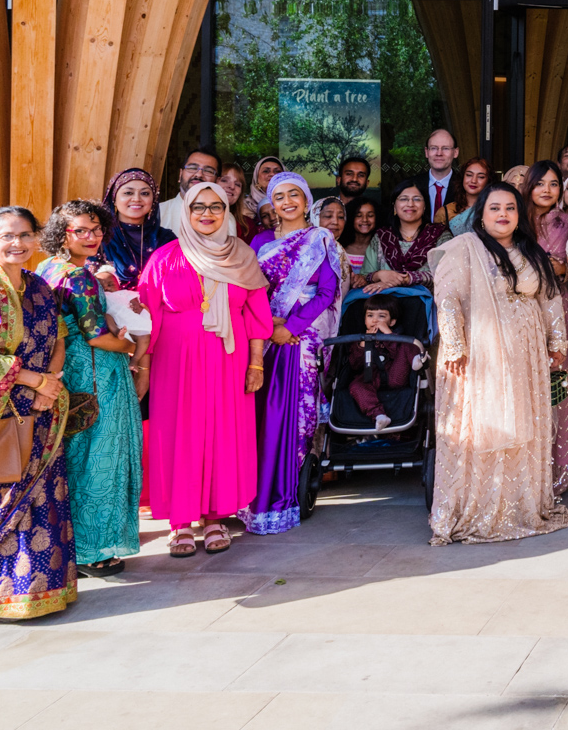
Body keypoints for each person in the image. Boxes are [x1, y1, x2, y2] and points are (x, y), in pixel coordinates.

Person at [0, 208, 78, 621]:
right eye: (7, 236)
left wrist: (50, 382)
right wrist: (34, 381)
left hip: (43, 413)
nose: (17, 244)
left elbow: (59, 337)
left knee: (46, 502)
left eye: (25, 235)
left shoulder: (40, 286)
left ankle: (44, 592)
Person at [430, 180, 568, 544]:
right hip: (480, 356)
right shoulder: (464, 249)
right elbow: (447, 300)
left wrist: (557, 342)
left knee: (523, 423)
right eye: (495, 208)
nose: (503, 214)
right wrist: (456, 347)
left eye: (510, 208)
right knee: (484, 425)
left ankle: (521, 505)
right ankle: (479, 508)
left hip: (526, 357)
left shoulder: (530, 251)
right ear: (482, 214)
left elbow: (549, 299)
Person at [138, 183, 272, 558]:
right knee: (179, 435)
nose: (207, 213)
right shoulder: (165, 258)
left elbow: (256, 316)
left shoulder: (242, 256)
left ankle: (215, 516)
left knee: (221, 433)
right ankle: (179, 521)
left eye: (216, 206)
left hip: (228, 361)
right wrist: (143, 368)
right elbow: (147, 317)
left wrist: (256, 363)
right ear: (186, 211)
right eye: (199, 207)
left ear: (226, 210)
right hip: (173, 364)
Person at [37, 200, 141, 578]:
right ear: (62, 234)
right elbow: (97, 337)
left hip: (71, 374)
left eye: (96, 230)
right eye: (81, 230)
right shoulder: (79, 276)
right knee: (103, 458)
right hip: (97, 372)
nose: (92, 237)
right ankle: (94, 552)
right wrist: (135, 349)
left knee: (77, 457)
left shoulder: (48, 268)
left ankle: (73, 546)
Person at [245, 172, 341, 534]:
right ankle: (250, 497)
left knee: (285, 419)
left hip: (299, 340)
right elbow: (252, 291)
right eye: (279, 196)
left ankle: (280, 498)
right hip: (263, 336)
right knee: (259, 416)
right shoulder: (260, 241)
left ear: (306, 199)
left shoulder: (321, 239)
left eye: (294, 195)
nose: (287, 202)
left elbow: (326, 292)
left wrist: (292, 328)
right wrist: (270, 326)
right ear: (271, 203)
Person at [526, 159, 568, 495]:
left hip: (560, 314)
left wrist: (564, 270)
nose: (547, 190)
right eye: (541, 184)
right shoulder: (515, 222)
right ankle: (526, 470)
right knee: (526, 390)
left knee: (559, 388)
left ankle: (560, 471)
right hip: (522, 315)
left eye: (554, 184)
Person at [347, 294, 423, 431]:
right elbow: (354, 365)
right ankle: (379, 415)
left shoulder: (394, 335)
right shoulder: (358, 341)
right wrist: (364, 344)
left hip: (395, 375)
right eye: (370, 316)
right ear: (364, 319)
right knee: (355, 386)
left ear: (392, 322)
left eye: (381, 316)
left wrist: (387, 334)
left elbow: (397, 352)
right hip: (370, 377)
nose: (375, 320)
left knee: (407, 342)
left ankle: (417, 358)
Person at [362, 182, 447, 293]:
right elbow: (363, 276)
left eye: (417, 199)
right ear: (394, 206)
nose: (410, 204)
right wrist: (379, 275)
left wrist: (407, 278)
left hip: (427, 305)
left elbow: (447, 274)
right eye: (403, 199)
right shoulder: (383, 236)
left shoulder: (440, 235)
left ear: (425, 205)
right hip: (384, 306)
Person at [101, 167, 175, 292]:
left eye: (145, 193)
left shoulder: (166, 239)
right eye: (128, 193)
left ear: (153, 200)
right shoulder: (99, 236)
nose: (137, 199)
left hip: (157, 309)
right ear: (114, 198)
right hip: (109, 309)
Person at [158, 146, 223, 227]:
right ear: (180, 175)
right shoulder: (158, 213)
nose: (199, 174)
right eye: (192, 168)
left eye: (208, 171)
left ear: (217, 181)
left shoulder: (226, 220)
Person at [418, 129, 460, 224]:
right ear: (426, 152)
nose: (439, 153)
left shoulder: (464, 186)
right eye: (433, 148)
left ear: (455, 152)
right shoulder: (412, 185)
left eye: (445, 148)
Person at [439, 158, 491, 234]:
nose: (473, 181)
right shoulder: (445, 211)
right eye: (469, 175)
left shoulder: (494, 209)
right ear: (462, 177)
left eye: (481, 177)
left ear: (488, 180)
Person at [219, 165, 256, 244]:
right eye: (224, 180)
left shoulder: (248, 225)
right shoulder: (199, 218)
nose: (232, 186)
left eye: (237, 184)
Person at [340, 195, 380, 263]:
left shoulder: (382, 248)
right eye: (359, 216)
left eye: (370, 215)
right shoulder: (340, 247)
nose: (365, 220)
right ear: (351, 218)